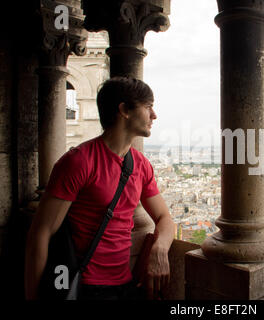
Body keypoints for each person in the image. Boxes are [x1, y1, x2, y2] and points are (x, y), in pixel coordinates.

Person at [25, 77, 175, 300]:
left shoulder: (140, 165)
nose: (154, 115)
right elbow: (42, 232)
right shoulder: (79, 162)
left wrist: (160, 248)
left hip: (125, 283)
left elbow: (164, 217)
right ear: (124, 110)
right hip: (83, 284)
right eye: (148, 106)